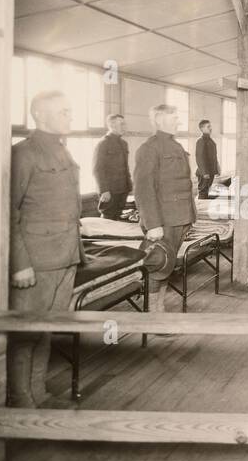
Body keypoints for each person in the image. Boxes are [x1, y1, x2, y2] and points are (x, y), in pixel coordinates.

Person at [7, 91, 85, 409]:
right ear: (40, 115)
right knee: (26, 332)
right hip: (36, 259)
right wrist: (19, 263)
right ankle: (19, 397)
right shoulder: (23, 154)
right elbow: (8, 214)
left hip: (64, 255)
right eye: (63, 112)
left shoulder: (61, 151)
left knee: (48, 328)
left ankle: (37, 391)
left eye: (69, 111)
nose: (70, 117)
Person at [135, 104, 197, 312]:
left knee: (167, 264)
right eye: (174, 118)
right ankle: (155, 314)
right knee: (158, 265)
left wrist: (189, 217)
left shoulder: (176, 146)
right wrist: (152, 224)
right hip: (164, 220)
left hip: (179, 218)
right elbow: (144, 189)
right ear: (160, 120)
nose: (178, 121)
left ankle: (159, 308)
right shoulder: (150, 148)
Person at [92, 113, 131, 221]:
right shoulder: (103, 144)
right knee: (107, 217)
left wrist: (128, 186)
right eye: (121, 124)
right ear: (112, 125)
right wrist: (104, 190)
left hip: (123, 189)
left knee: (118, 217)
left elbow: (124, 167)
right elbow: (97, 169)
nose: (124, 127)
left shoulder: (123, 144)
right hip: (110, 190)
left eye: (124, 124)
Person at [194, 119, 219, 199]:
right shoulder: (200, 141)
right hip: (204, 173)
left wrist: (217, 168)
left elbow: (213, 156)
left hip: (210, 171)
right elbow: (199, 158)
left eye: (210, 126)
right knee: (203, 192)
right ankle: (200, 210)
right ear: (202, 129)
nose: (210, 128)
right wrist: (205, 173)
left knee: (206, 191)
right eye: (208, 127)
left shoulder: (210, 140)